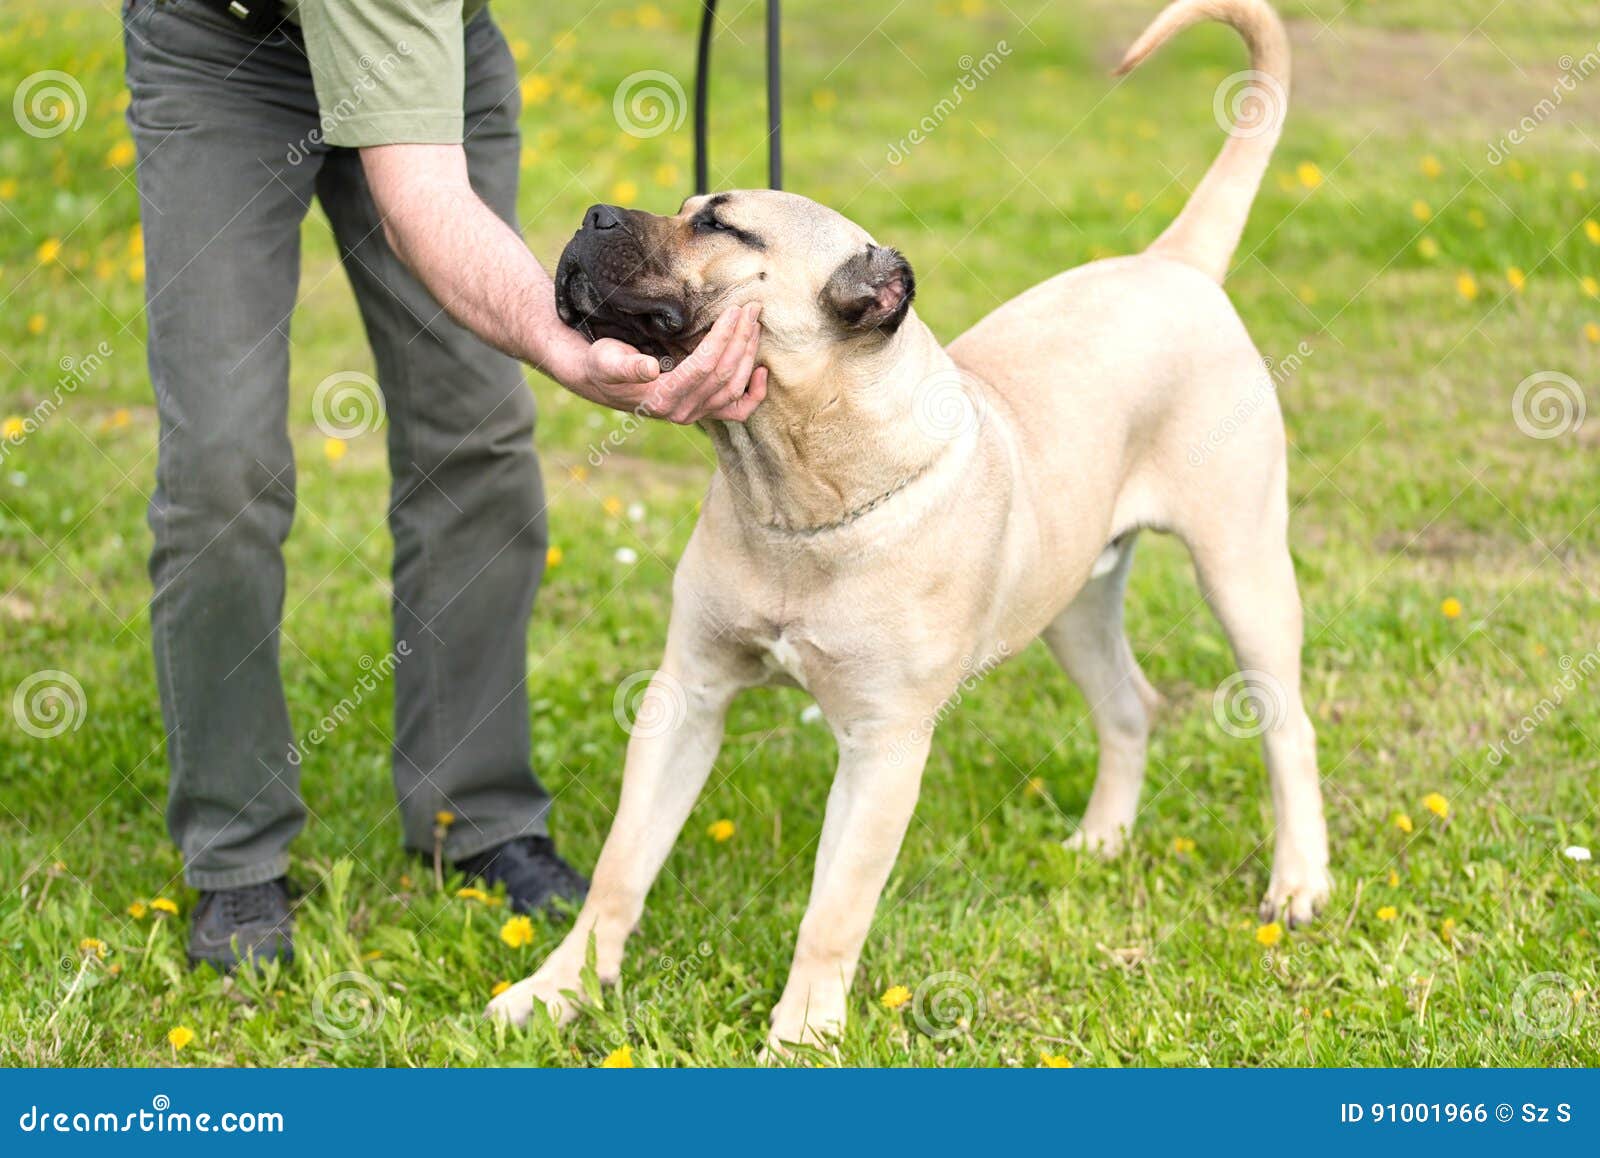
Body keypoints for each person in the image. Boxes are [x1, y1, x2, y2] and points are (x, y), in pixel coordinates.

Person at [121, 0, 767, 971]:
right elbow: (422, 199)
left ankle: (473, 814)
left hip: (432, 49)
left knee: (474, 429)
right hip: (223, 46)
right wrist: (560, 344)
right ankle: (234, 848)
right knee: (224, 467)